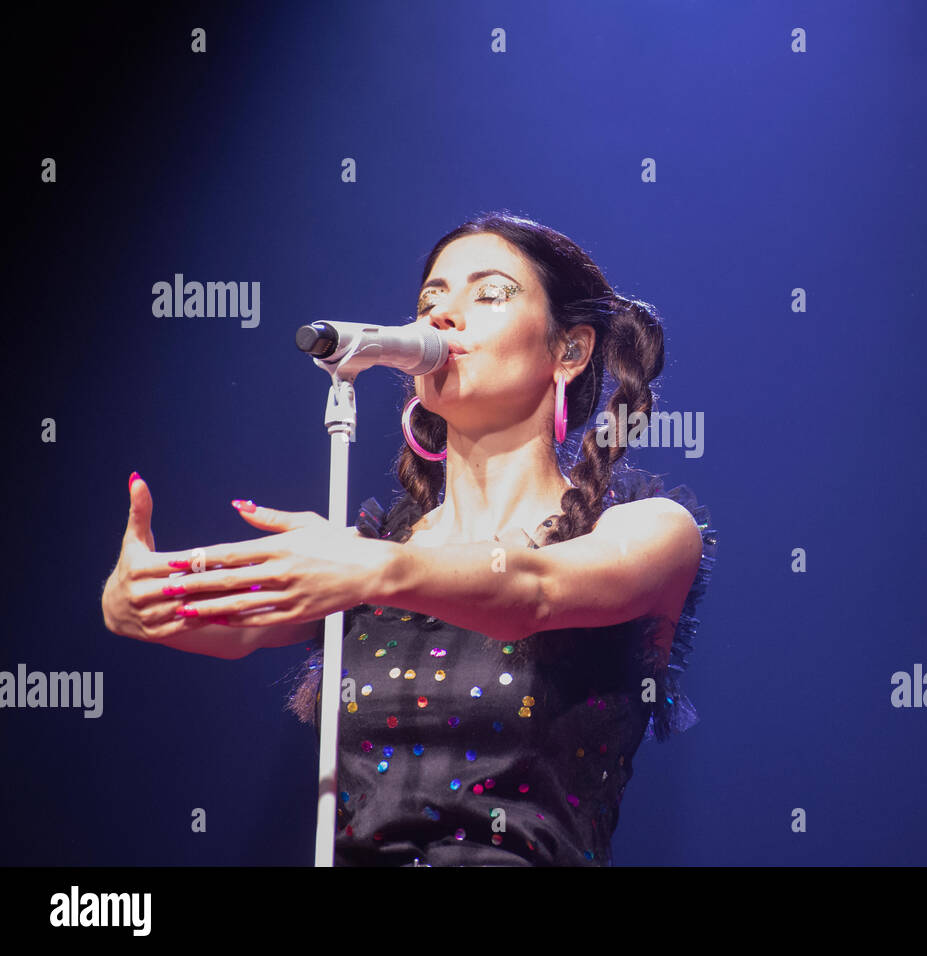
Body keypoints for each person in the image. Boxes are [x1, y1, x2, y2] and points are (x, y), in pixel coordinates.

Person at [101, 211, 717, 866]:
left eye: (489, 294)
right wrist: (137, 602)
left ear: (569, 350)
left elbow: (531, 591)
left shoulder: (648, 530)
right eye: (431, 298)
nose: (443, 315)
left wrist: (369, 567)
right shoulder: (370, 554)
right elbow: (219, 624)